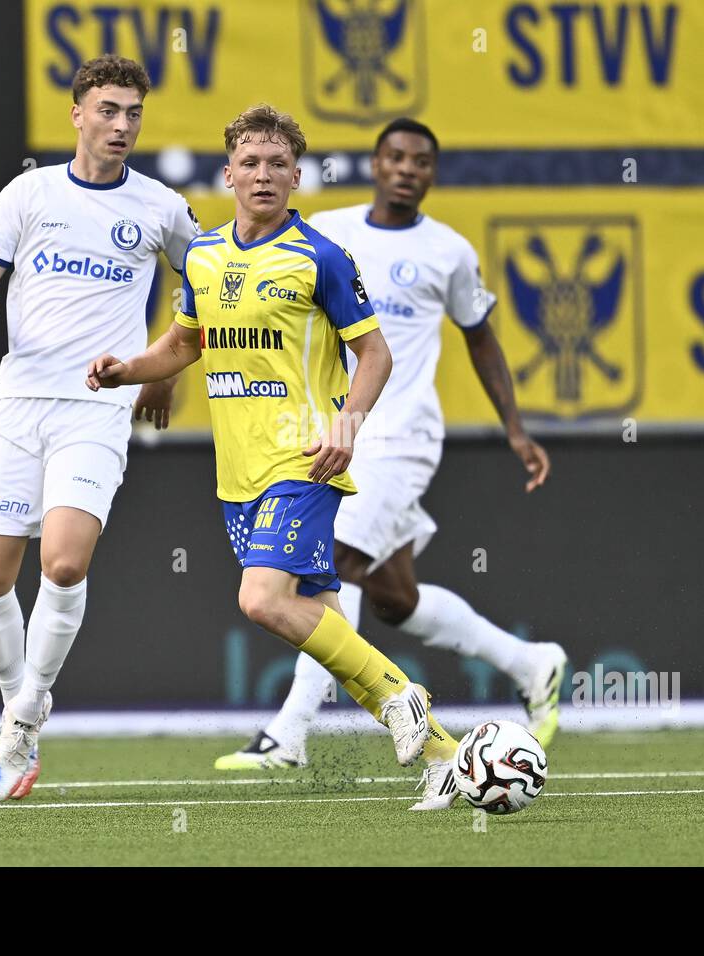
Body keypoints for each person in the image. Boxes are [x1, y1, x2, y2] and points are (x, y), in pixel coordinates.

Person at [86, 104, 464, 810]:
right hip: (238, 474)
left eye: (278, 164)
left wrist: (348, 423)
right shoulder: (202, 254)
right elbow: (185, 344)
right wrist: (127, 369)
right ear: (228, 173)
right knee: (320, 622)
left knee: (262, 600)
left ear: (297, 177)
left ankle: (401, 700)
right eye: (250, 163)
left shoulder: (320, 256)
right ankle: (443, 754)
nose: (263, 174)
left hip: (306, 460)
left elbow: (376, 353)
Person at [215, 119, 565, 794]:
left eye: (422, 161)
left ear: (431, 174)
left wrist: (516, 430)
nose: (407, 169)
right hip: (330, 429)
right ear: (374, 164)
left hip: (400, 438)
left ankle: (288, 732)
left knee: (332, 562)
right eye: (396, 156)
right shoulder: (327, 232)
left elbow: (481, 338)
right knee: (394, 599)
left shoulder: (449, 252)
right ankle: (530, 664)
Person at [0, 55, 198, 801]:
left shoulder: (160, 208)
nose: (121, 125)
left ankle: (25, 721)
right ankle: (16, 701)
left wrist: (162, 370)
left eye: (133, 114)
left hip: (97, 407)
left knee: (60, 563)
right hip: (17, 407)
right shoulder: (28, 195)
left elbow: (207, 291)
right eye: (109, 110)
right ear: (78, 113)